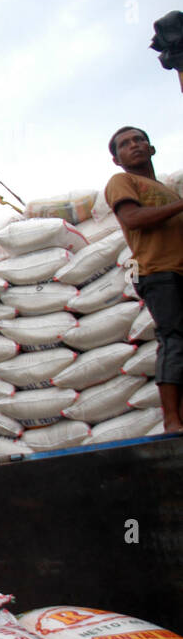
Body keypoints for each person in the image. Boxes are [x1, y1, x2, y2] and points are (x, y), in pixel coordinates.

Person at [104, 126, 183, 432]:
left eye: (139, 140)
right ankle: (172, 421)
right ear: (116, 158)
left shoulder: (168, 191)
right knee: (174, 339)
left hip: (177, 269)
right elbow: (133, 220)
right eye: (125, 144)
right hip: (155, 270)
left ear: (152, 149)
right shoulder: (121, 181)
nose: (134, 145)